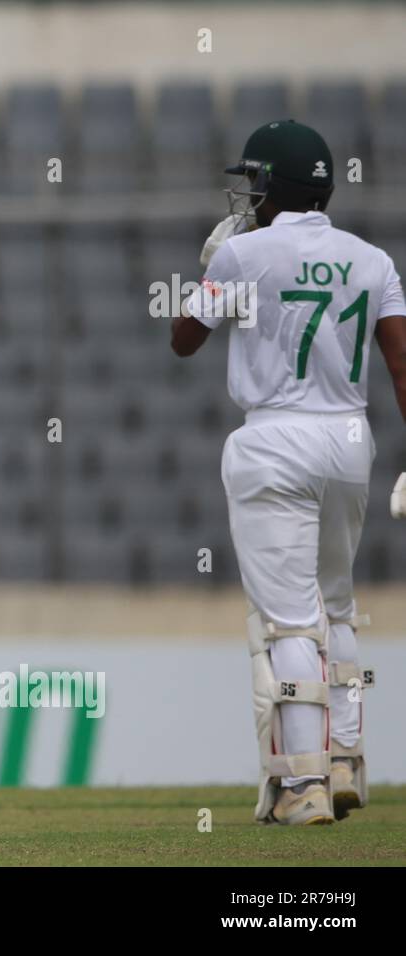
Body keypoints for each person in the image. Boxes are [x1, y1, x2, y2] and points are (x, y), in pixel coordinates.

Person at [174, 120, 406, 825]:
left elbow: (184, 339)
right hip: (346, 437)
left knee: (288, 622)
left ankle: (304, 783)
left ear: (275, 183)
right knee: (338, 608)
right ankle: (347, 763)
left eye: (255, 181)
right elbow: (401, 364)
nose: (248, 194)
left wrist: (212, 266)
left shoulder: (245, 253)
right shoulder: (372, 259)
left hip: (275, 437)